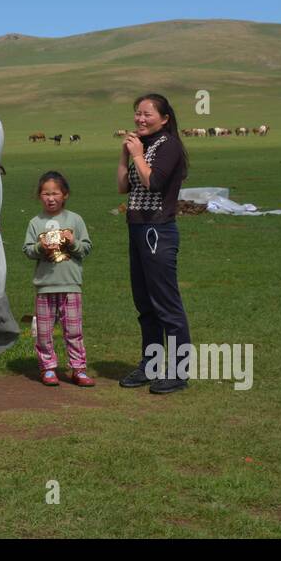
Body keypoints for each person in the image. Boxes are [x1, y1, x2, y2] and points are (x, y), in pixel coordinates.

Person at [118, 94, 193, 394]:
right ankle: (150, 366)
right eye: (137, 113)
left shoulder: (169, 146)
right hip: (137, 229)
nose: (140, 119)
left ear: (165, 119)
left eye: (147, 114)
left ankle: (178, 372)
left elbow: (155, 183)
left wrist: (137, 155)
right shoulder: (143, 145)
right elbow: (124, 187)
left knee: (166, 305)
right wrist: (125, 156)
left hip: (158, 231)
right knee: (145, 304)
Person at [22, 171, 94, 387]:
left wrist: (72, 243)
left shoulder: (75, 220)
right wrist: (39, 247)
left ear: (65, 195)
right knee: (44, 332)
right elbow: (27, 250)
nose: (50, 198)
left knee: (73, 330)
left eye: (55, 193)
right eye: (45, 194)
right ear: (39, 196)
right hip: (44, 286)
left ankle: (78, 369)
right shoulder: (35, 222)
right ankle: (48, 368)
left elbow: (86, 248)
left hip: (71, 285)